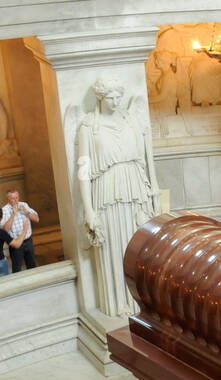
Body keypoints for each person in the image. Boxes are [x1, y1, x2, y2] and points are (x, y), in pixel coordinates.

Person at [76, 76, 161, 319]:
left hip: (135, 188)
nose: (115, 102)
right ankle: (120, 302)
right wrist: (89, 210)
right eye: (110, 98)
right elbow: (83, 170)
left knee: (141, 244)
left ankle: (142, 299)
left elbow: (146, 157)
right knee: (113, 247)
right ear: (100, 98)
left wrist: (152, 187)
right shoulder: (89, 127)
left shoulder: (130, 120)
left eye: (118, 97)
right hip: (107, 192)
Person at [0, 189, 38, 273]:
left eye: (17, 197)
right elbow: (5, 229)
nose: (16, 200)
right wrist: (13, 214)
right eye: (13, 198)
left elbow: (37, 219)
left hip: (28, 241)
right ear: (8, 199)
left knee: (32, 265)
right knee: (17, 268)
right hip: (16, 244)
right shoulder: (4, 210)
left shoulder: (24, 205)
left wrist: (26, 211)